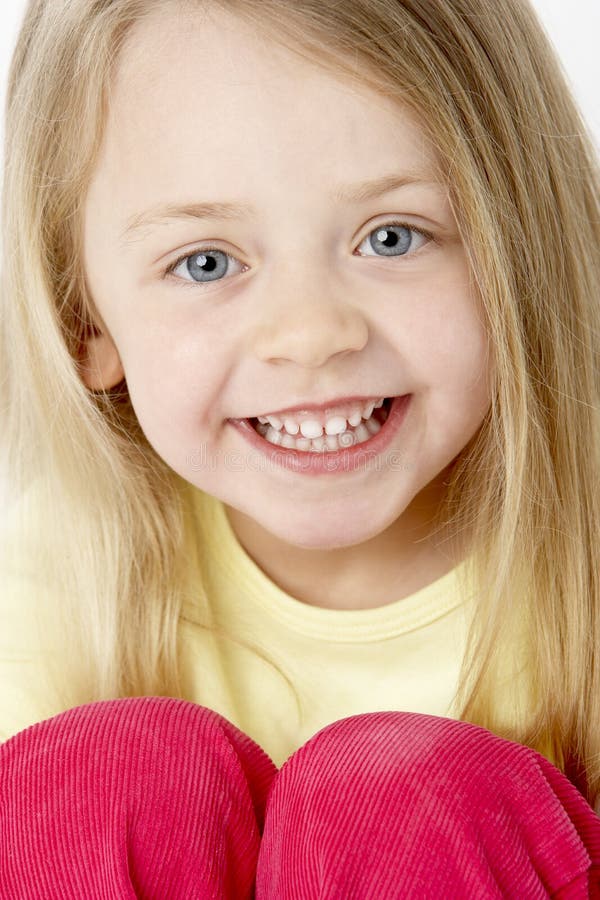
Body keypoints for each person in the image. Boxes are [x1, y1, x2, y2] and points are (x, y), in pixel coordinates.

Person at [0, 0, 599, 895]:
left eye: (391, 237)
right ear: (83, 320)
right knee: (100, 780)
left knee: (413, 803)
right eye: (206, 262)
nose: (311, 334)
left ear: (521, 252)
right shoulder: (46, 584)